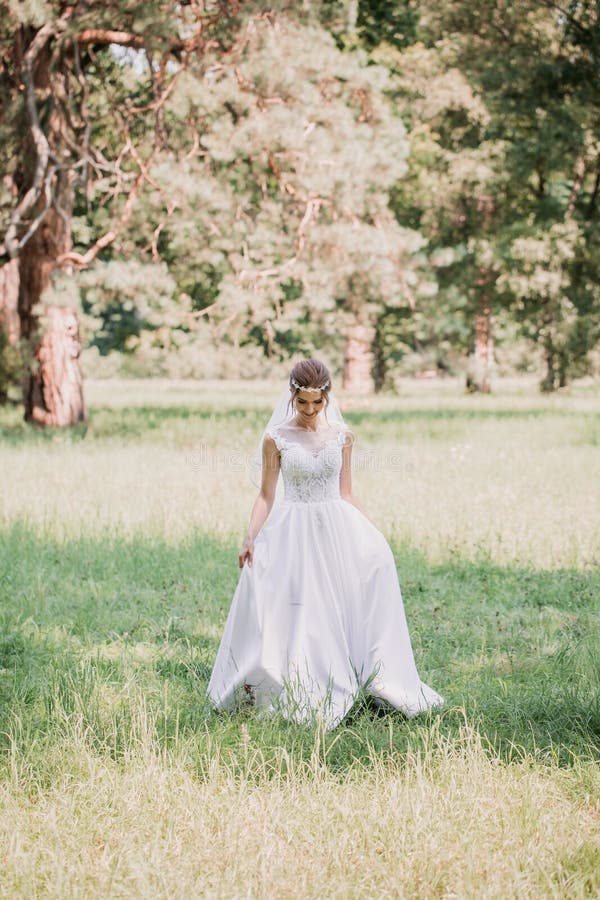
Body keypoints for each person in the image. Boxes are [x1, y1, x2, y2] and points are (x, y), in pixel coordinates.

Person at [207, 358, 444, 728]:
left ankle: (359, 676)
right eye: (302, 402)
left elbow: (346, 492)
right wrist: (249, 536)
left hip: (336, 527)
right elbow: (267, 496)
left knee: (349, 596)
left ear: (327, 397)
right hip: (294, 529)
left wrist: (373, 532)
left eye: (317, 403)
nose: (310, 411)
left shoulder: (342, 436)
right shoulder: (277, 438)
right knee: (302, 607)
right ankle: (301, 681)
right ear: (292, 396)